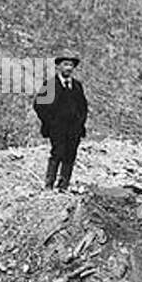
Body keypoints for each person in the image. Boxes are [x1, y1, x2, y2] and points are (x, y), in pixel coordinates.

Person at [33, 51, 88, 192]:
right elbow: (39, 105)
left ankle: (63, 185)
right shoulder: (50, 85)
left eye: (70, 65)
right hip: (57, 128)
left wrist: (80, 122)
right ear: (59, 66)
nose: (68, 68)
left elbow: (83, 107)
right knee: (57, 152)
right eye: (65, 64)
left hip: (74, 128)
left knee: (70, 154)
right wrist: (50, 122)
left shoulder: (77, 86)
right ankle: (49, 184)